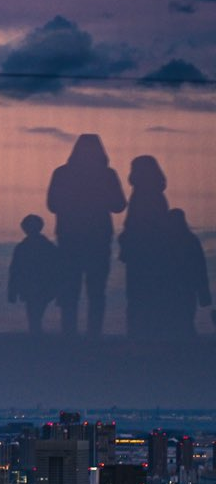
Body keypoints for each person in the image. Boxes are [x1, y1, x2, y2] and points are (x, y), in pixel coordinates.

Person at [45, 133, 124, 334]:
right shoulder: (107, 175)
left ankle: (69, 333)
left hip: (69, 239)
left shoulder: (62, 173)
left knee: (70, 289)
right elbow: (119, 205)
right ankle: (94, 333)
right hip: (98, 238)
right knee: (97, 291)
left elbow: (52, 205)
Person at [118, 154, 174, 338]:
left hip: (141, 253)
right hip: (153, 253)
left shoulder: (142, 195)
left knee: (137, 295)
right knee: (150, 295)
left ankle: (139, 334)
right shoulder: (157, 195)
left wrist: (126, 241)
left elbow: (135, 224)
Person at [155, 208, 211, 336]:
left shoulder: (164, 242)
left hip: (172, 290)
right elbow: (200, 269)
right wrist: (204, 295)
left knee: (173, 323)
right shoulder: (191, 240)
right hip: (186, 289)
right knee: (186, 321)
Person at [7, 214, 65, 334]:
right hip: (42, 286)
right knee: (35, 313)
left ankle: (35, 334)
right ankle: (36, 334)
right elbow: (58, 270)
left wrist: (12, 290)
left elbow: (15, 270)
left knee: (33, 313)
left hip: (37, 285)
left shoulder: (23, 247)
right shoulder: (48, 247)